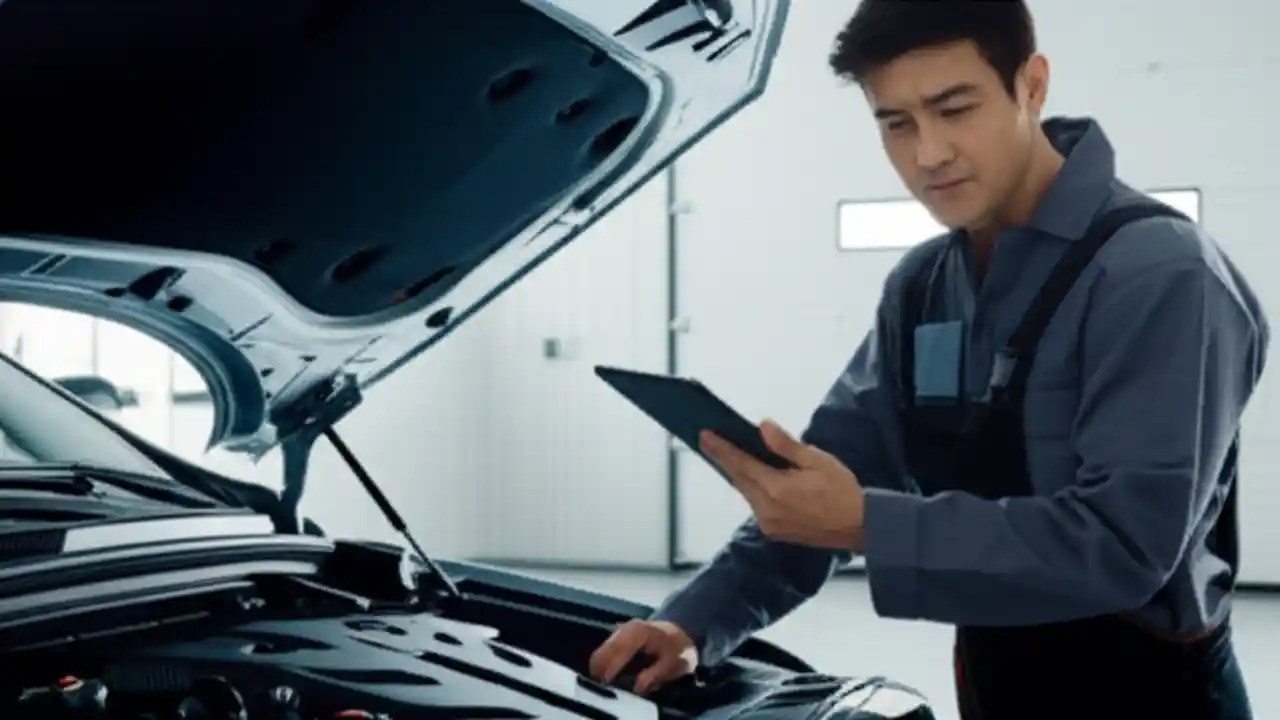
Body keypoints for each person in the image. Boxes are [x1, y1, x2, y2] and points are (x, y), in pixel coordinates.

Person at [587, 2, 1267, 718]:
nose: (929, 153)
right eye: (896, 123)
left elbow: (1124, 546)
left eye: (954, 109)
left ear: (1031, 86)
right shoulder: (924, 287)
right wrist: (690, 622)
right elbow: (834, 480)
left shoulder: (1160, 275)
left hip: (1154, 699)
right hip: (996, 685)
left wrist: (866, 525)